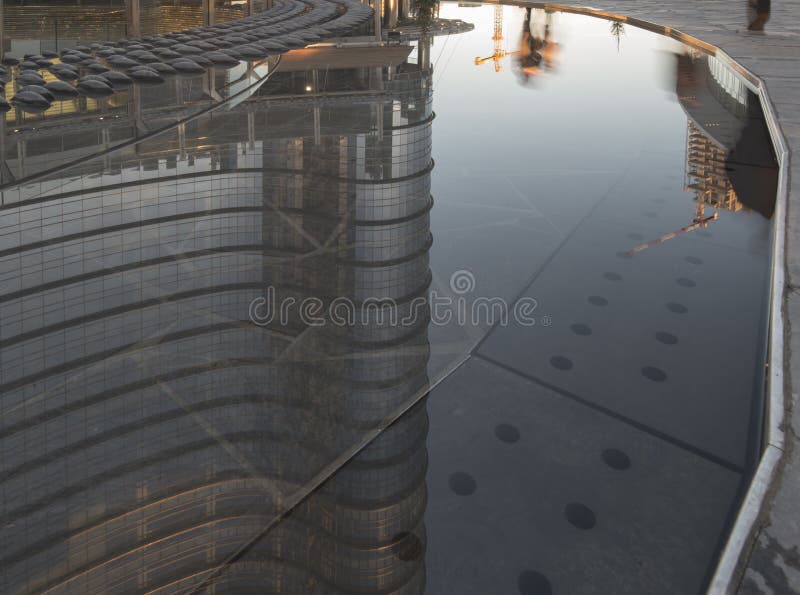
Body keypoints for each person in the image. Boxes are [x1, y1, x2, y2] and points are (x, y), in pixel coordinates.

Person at [514, 8, 559, 85]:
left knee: (528, 30)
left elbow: (521, 58)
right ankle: (538, 13)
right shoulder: (527, 68)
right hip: (532, 48)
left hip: (529, 48)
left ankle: (533, 12)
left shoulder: (524, 67)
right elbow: (539, 59)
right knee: (541, 37)